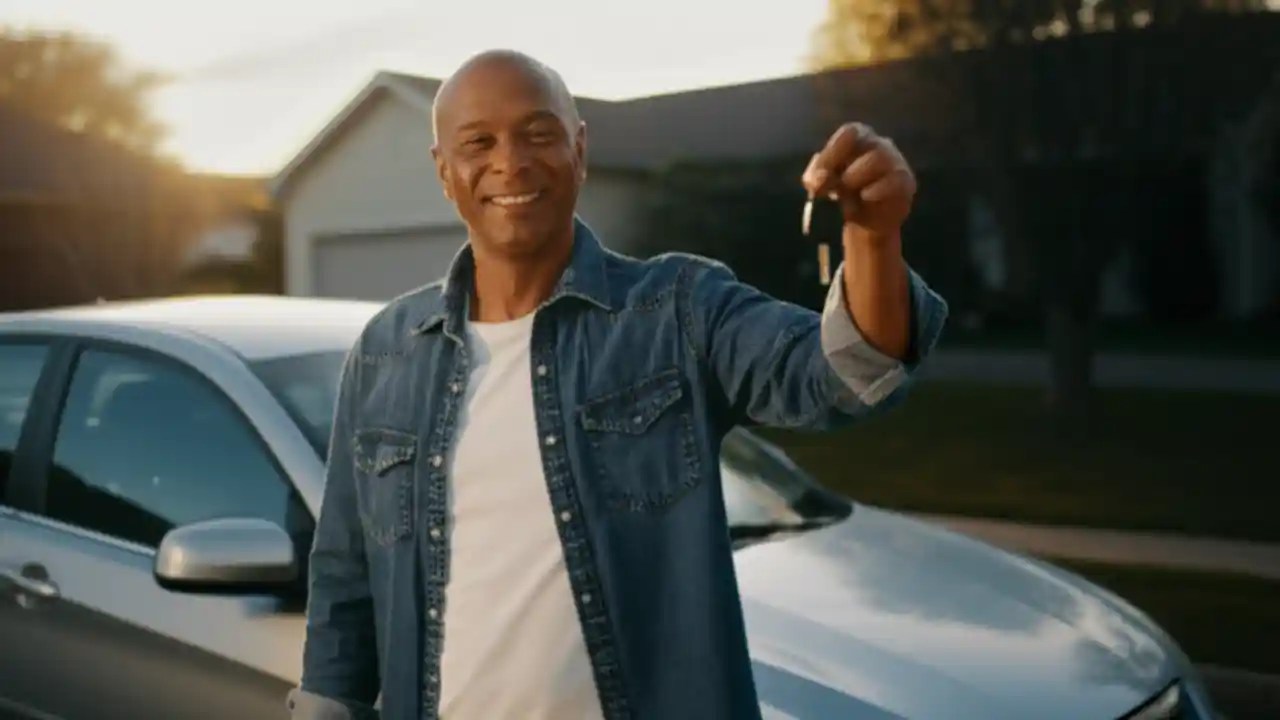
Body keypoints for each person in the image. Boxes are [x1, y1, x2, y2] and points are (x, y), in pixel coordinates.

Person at [288, 49, 948, 720]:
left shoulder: (678, 310)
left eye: (538, 134)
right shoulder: (384, 352)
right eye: (478, 142)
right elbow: (345, 573)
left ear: (579, 149)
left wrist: (872, 237)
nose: (510, 161)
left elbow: (844, 376)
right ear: (443, 172)